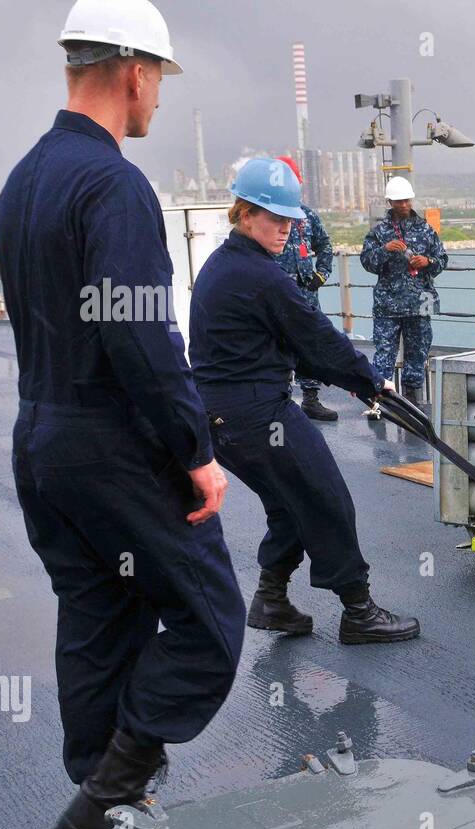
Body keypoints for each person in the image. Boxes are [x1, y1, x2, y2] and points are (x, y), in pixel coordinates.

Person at [0, 0, 246, 829]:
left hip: (41, 440)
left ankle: (103, 799)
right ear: (134, 72)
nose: (159, 100)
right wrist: (196, 451)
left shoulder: (23, 180)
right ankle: (106, 796)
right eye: (158, 82)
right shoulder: (114, 184)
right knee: (212, 622)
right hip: (110, 444)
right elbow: (140, 334)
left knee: (99, 615)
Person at [188, 157, 420, 646]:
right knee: (325, 495)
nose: (286, 229)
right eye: (275, 219)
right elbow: (316, 337)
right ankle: (359, 611)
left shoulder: (225, 265)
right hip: (253, 413)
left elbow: (291, 347)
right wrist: (373, 380)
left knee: (289, 501)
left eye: (290, 219)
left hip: (221, 415)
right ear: (244, 214)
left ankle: (271, 599)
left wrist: (358, 382)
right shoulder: (261, 276)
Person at [360, 176, 447, 407]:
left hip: (420, 302)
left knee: (418, 352)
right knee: (384, 353)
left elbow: (442, 260)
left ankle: (412, 400)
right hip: (388, 304)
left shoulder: (426, 230)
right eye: (399, 201)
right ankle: (380, 400)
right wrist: (385, 250)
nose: (404, 205)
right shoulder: (379, 232)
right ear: (390, 202)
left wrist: (427, 261)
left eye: (407, 200)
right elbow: (368, 262)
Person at [272, 155, 337, 422]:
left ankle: (311, 398)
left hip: (306, 293)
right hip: (275, 294)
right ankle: (279, 399)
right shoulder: (268, 216)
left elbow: (325, 246)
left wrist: (321, 274)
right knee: (276, 345)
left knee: (310, 342)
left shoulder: (308, 216)